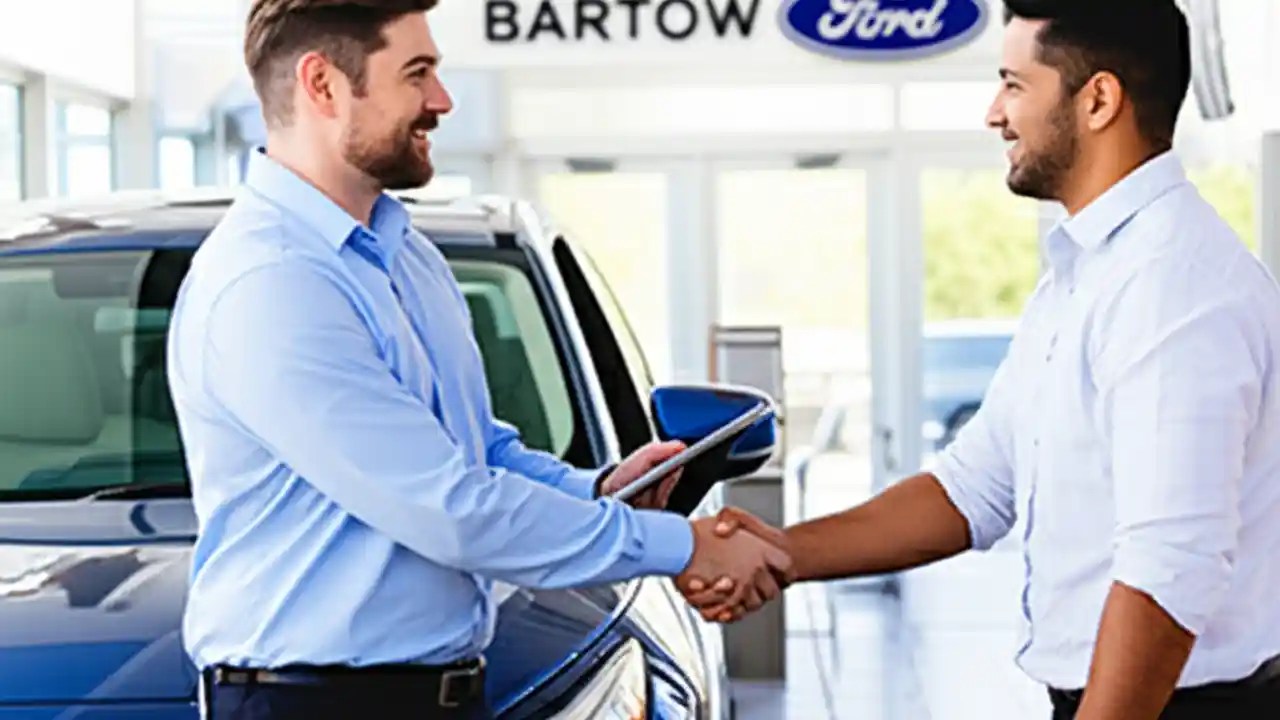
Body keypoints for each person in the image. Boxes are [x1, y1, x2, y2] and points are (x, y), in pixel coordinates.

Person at [166, 2, 789, 718]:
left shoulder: (408, 257)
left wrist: (593, 491)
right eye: (417, 74)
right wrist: (682, 545)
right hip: (313, 704)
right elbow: (450, 508)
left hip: (438, 693)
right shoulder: (272, 281)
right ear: (323, 84)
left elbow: (475, 452)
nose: (442, 101)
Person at [689, 1, 1280, 718]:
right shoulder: (1083, 276)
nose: (994, 114)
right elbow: (976, 486)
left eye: (1013, 84)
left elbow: (1171, 567)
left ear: (1098, 100)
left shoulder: (1173, 286)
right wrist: (784, 551)